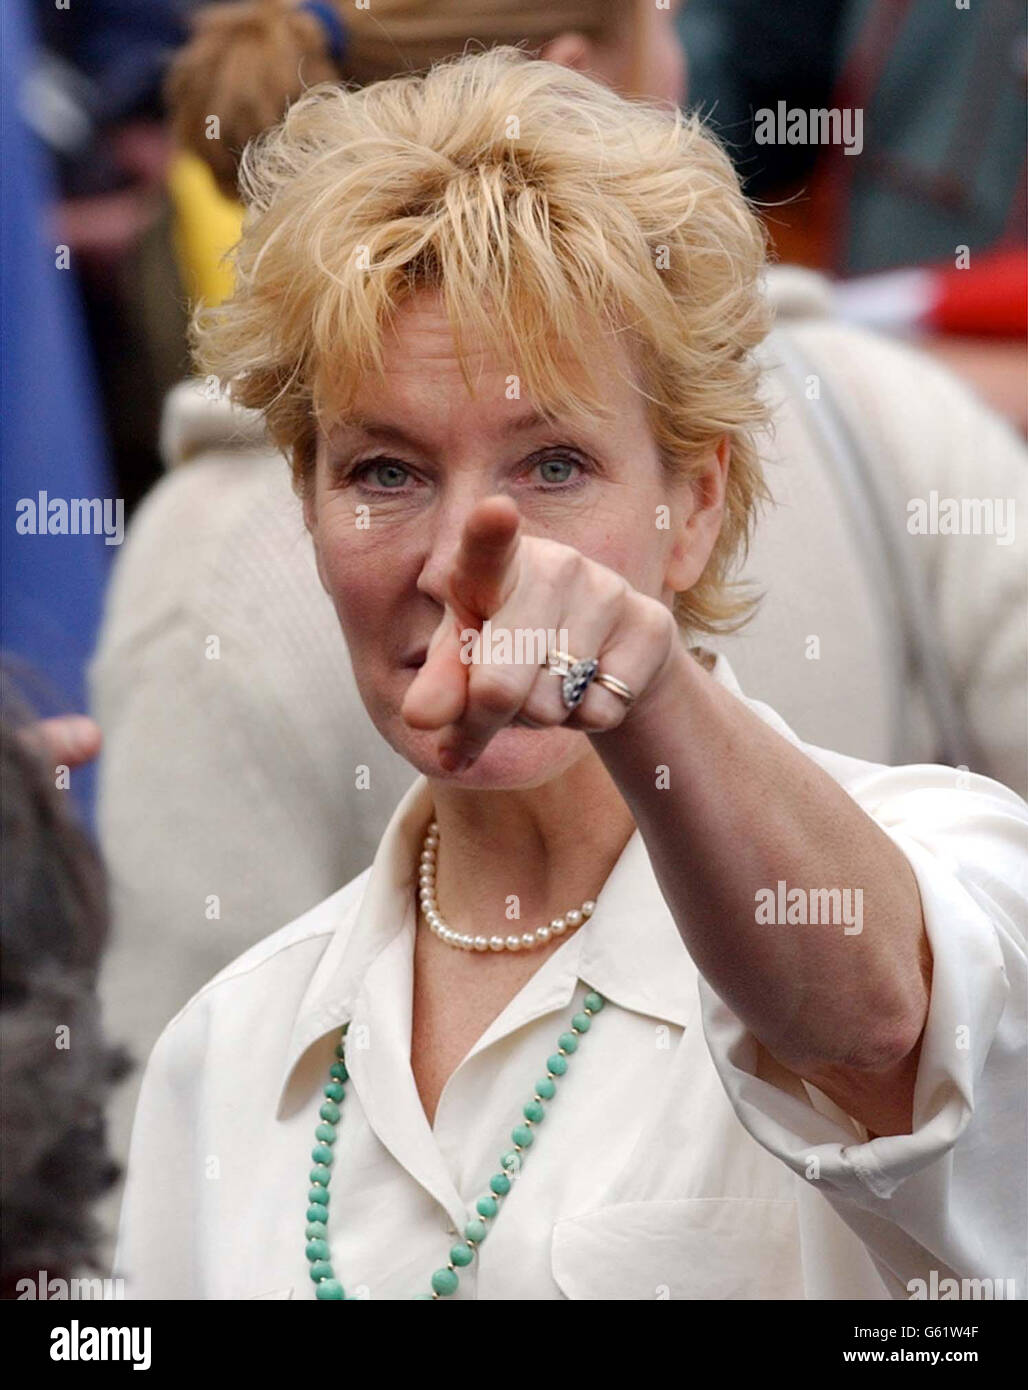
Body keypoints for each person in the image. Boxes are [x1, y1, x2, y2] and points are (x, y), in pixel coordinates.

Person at [112, 48, 1027, 1301]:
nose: (461, 560)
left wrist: (635, 692)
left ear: (693, 505)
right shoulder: (219, 1054)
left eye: (551, 466)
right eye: (384, 471)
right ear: (306, 506)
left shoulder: (939, 858)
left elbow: (875, 1025)